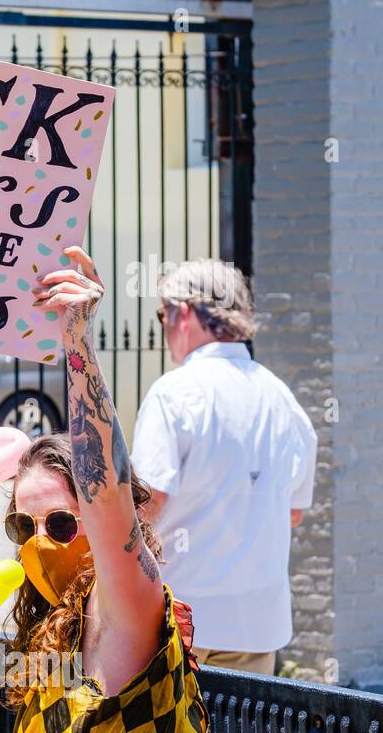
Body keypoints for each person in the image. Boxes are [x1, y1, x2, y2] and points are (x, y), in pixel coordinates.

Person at [0, 246, 210, 733]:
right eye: (22, 526)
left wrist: (76, 338)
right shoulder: (49, 630)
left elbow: (107, 494)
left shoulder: (127, 607)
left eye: (60, 523)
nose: (38, 541)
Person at [131, 260, 317, 675]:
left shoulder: (173, 393)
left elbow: (147, 503)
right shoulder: (282, 397)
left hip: (181, 620)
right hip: (258, 625)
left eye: (163, 314)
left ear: (184, 311)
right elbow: (293, 512)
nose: (164, 327)